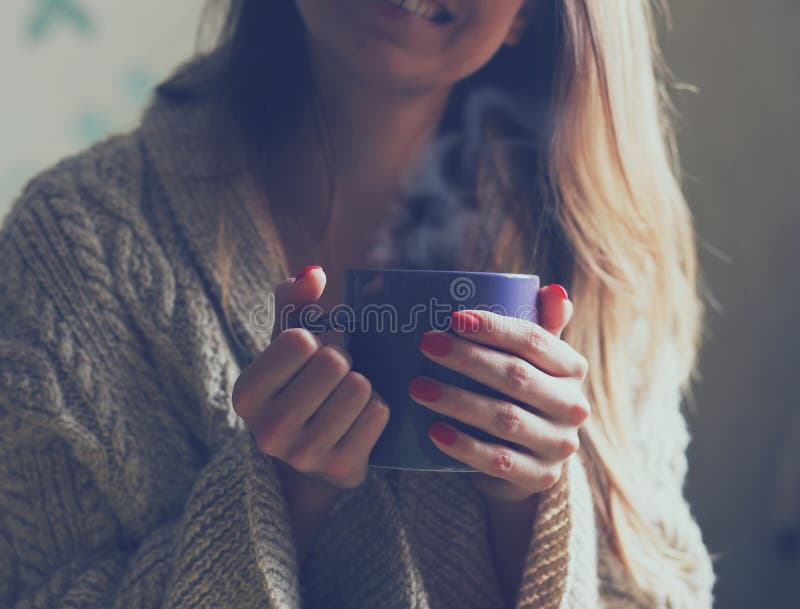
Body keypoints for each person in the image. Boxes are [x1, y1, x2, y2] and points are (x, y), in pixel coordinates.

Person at [0, 1, 716, 608]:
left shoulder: (600, 262)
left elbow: (664, 586)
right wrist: (273, 500)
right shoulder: (70, 250)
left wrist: (528, 514)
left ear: (530, 12)